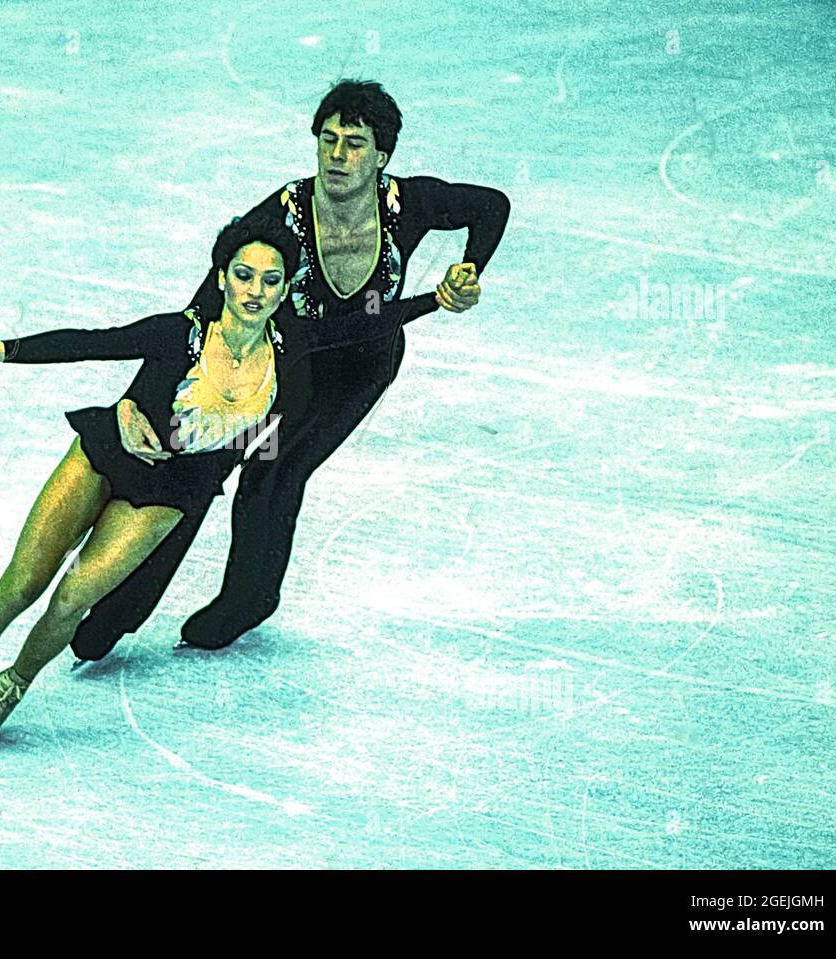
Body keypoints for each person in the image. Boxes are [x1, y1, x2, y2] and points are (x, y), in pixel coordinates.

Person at [0, 218, 447, 778]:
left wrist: (437, 299)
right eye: (244, 276)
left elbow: (364, 326)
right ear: (222, 278)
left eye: (270, 281)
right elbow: (91, 344)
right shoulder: (181, 332)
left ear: (284, 288)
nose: (255, 291)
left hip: (172, 489)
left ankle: (14, 682)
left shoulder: (292, 348)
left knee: (72, 597)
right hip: (105, 457)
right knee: (23, 584)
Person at [69, 78, 511, 661]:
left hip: (358, 368)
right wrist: (136, 398)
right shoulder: (281, 217)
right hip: (280, 361)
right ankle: (119, 611)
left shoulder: (414, 203)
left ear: (382, 156)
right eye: (327, 139)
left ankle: (249, 598)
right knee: (201, 463)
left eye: (354, 143)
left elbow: (491, 206)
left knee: (273, 472)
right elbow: (202, 314)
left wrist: (469, 270)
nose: (336, 155)